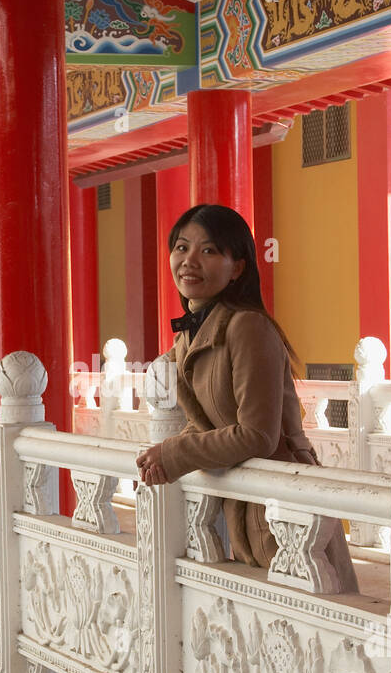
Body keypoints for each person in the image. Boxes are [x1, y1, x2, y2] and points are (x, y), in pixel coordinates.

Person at [135, 204, 358, 594]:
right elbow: (204, 419)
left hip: (285, 508)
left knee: (309, 629)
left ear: (237, 266)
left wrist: (172, 454)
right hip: (243, 503)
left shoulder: (247, 327)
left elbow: (257, 434)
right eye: (182, 247)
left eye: (208, 251)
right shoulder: (188, 334)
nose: (189, 261)